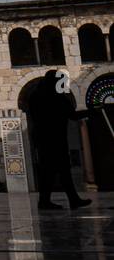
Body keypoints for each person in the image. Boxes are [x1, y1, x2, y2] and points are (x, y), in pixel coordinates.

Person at [26, 70, 92, 211]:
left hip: (42, 139)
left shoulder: (35, 96)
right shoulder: (57, 97)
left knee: (49, 172)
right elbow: (72, 115)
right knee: (61, 171)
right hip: (56, 139)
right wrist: (90, 111)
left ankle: (50, 201)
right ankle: (64, 201)